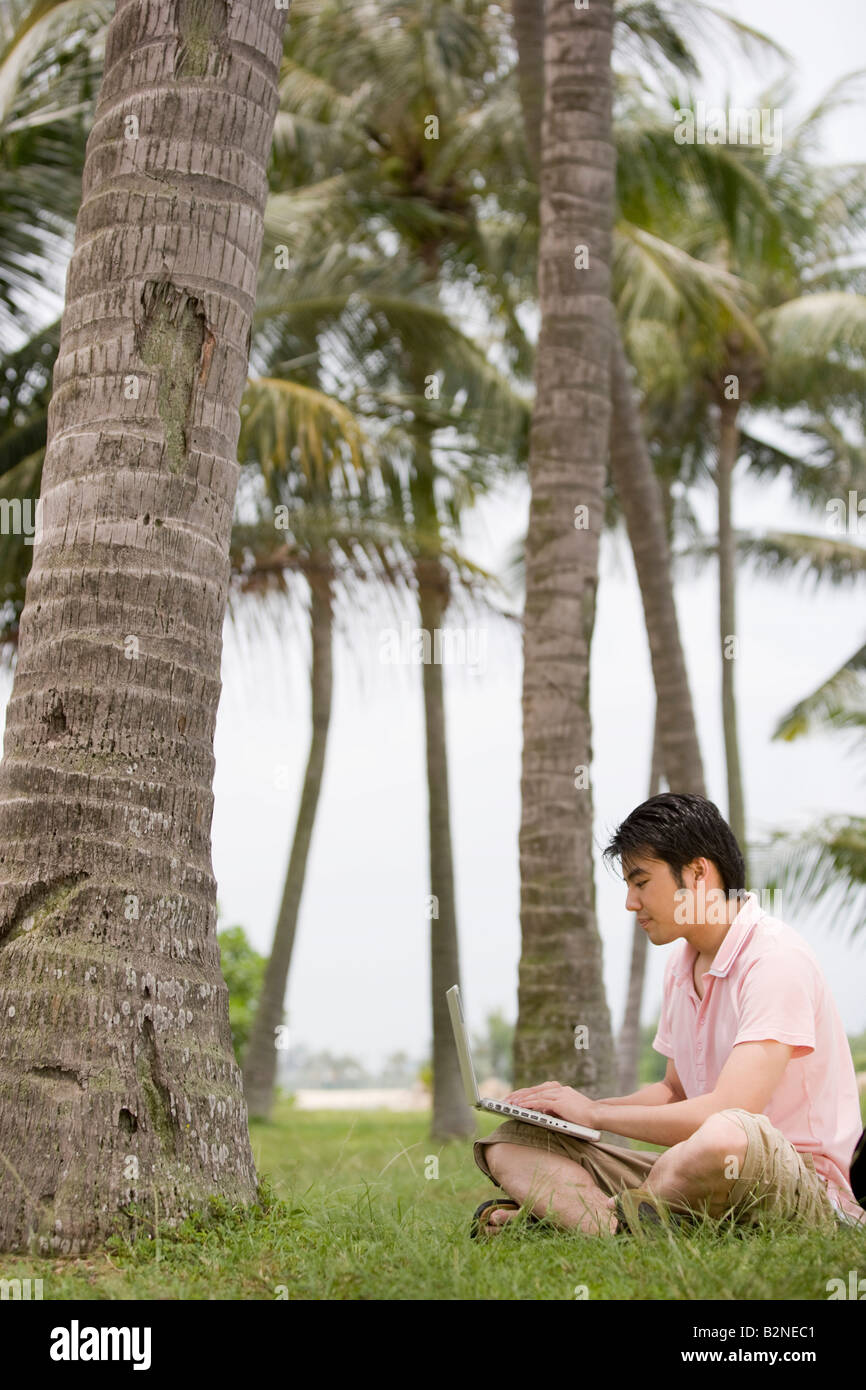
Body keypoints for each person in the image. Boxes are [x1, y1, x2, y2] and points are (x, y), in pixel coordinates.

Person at [471, 793, 866, 1237]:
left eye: (640, 882)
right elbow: (674, 1091)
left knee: (725, 1137)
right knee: (510, 1142)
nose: (630, 903)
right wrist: (578, 1110)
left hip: (799, 1184)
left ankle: (590, 1218)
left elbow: (729, 1109)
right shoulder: (683, 965)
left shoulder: (775, 958)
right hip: (693, 1171)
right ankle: (616, 1226)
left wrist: (597, 1117)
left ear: (698, 873)